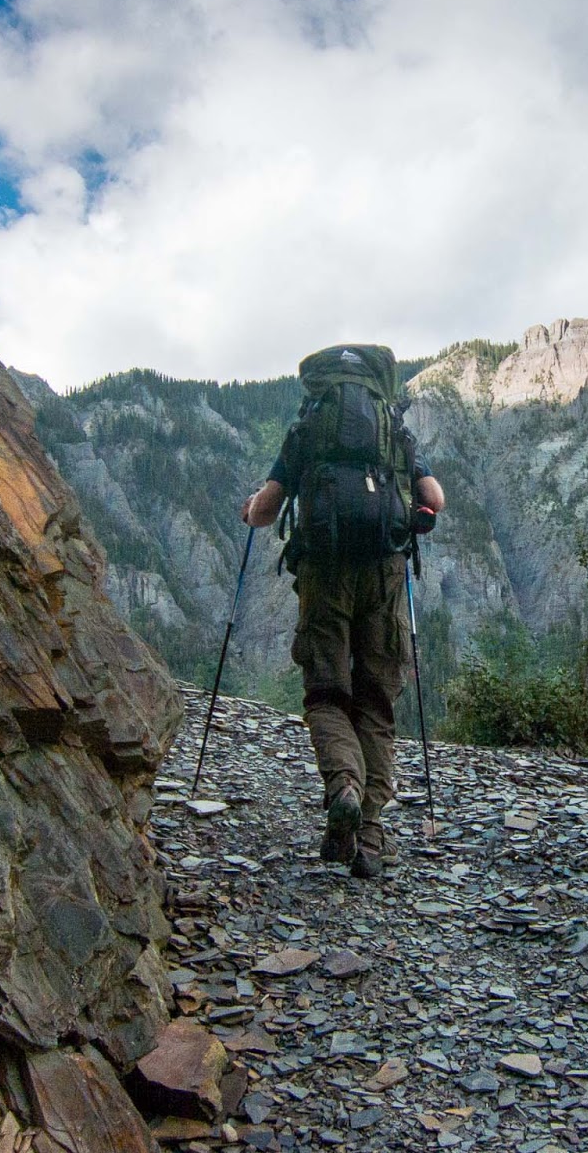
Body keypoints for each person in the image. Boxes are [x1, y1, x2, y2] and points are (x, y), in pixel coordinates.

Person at [241, 362, 444, 880]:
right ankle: (371, 838)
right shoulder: (392, 428)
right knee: (375, 701)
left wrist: (250, 510)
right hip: (384, 574)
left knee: (327, 693)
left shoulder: (308, 428)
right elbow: (435, 499)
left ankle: (345, 787)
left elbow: (267, 509)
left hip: (324, 574)